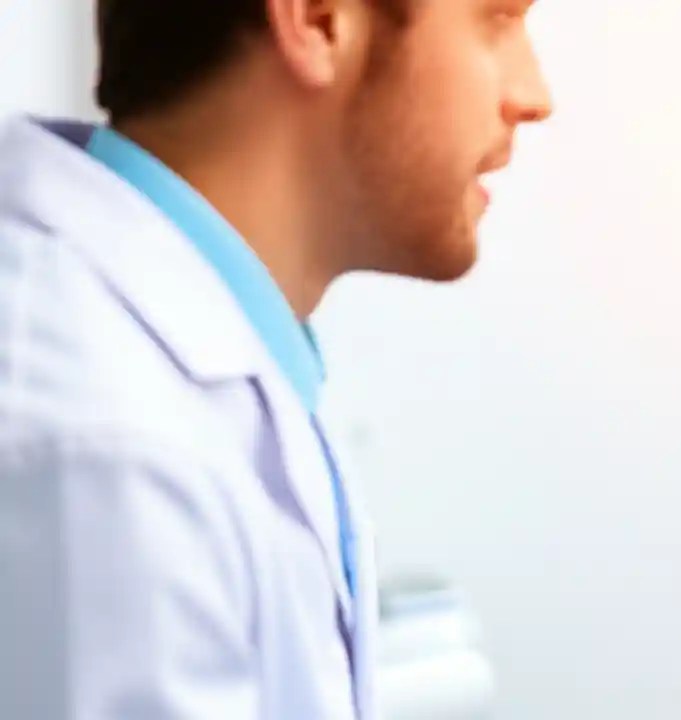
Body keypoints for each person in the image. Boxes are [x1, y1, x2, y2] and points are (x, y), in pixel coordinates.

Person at [0, 1, 551, 718]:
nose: (534, 95)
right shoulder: (103, 450)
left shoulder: (214, 358)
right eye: (497, 19)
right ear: (317, 20)